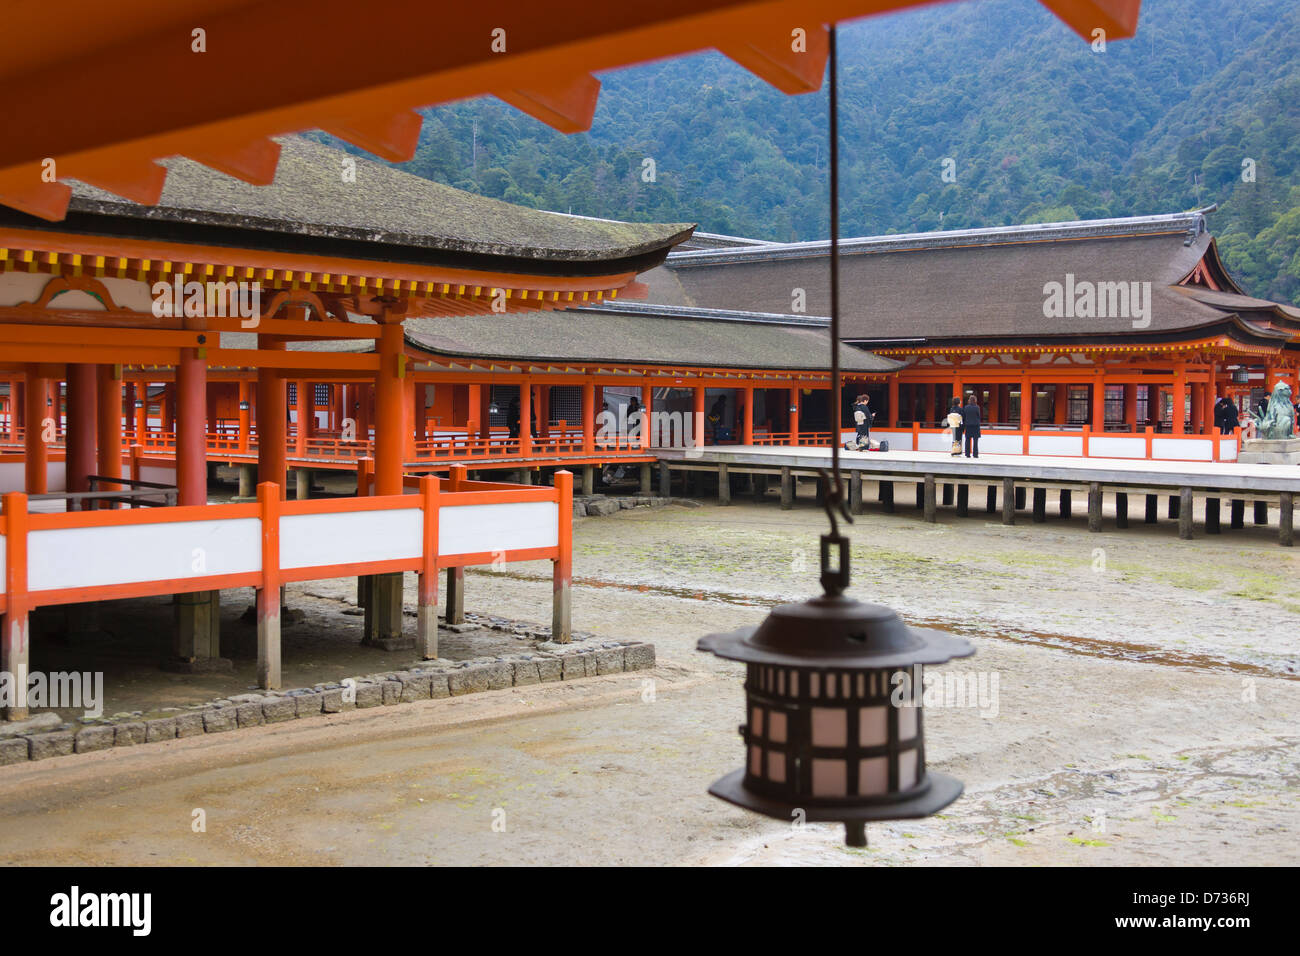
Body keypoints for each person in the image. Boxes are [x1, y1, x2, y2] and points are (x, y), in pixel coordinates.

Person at [962, 393, 982, 458]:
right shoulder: (977, 407)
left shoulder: (966, 407)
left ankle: (967, 454)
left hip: (968, 425)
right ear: (975, 400)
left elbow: (964, 417)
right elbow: (978, 416)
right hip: (976, 426)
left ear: (969, 400)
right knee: (975, 441)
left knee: (967, 440)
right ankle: (975, 454)